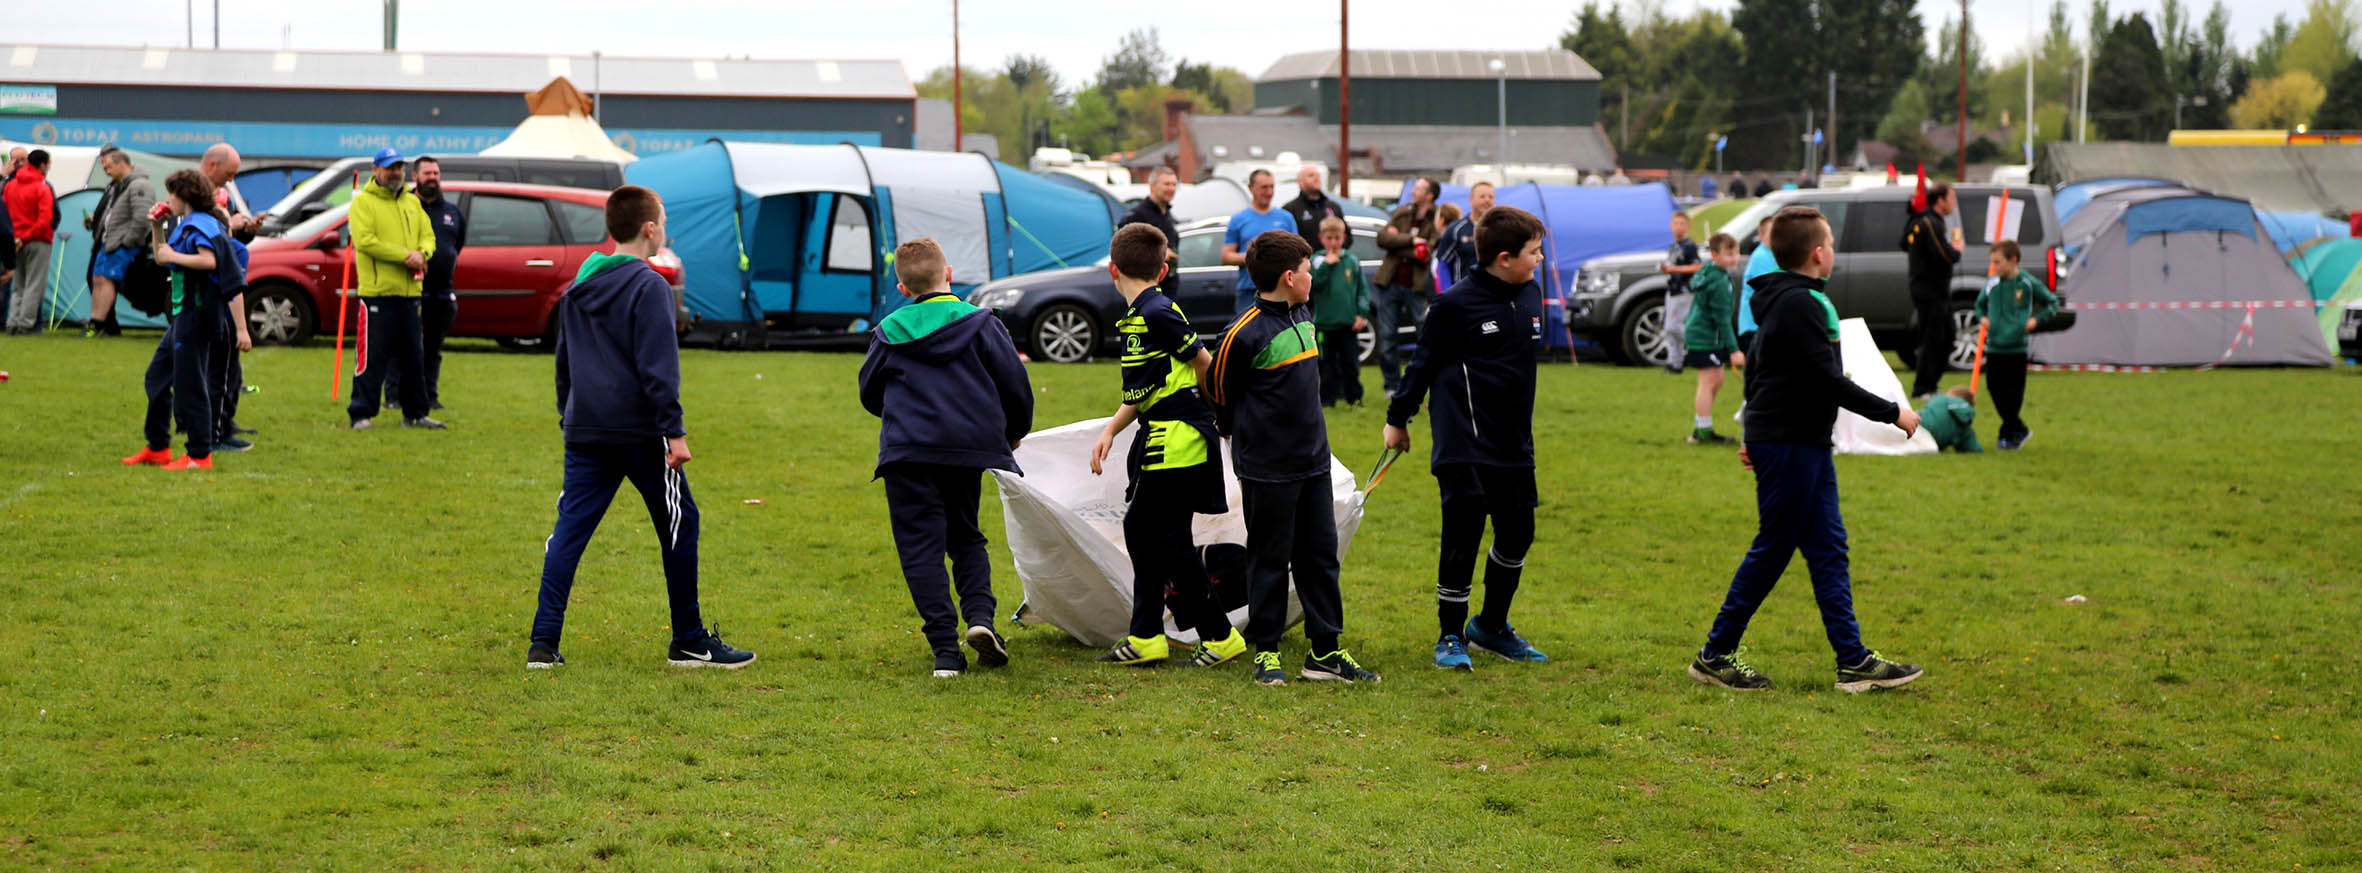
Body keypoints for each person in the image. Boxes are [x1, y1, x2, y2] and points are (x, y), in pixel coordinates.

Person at [1688, 206, 1926, 694]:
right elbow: (1826, 379)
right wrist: (1893, 412)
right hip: (1789, 443)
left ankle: (1853, 661)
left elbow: (1759, 368)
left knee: (1828, 548)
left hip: (1801, 441)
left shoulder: (1791, 299)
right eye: (1831, 243)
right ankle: (1715, 654)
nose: (1833, 250)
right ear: (1818, 253)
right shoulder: (1801, 304)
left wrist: (1752, 432)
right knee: (1775, 547)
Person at [528, 185, 752, 671]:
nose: (665, 230)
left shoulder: (578, 287)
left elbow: (563, 362)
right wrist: (675, 433)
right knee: (680, 522)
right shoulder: (649, 286)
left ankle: (542, 645)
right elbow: (659, 368)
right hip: (640, 431)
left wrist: (569, 415)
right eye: (664, 223)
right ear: (650, 229)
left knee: (569, 533)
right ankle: (689, 640)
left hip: (586, 429)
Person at [1207, 230, 1378, 686]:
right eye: (1306, 270)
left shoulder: (1304, 313)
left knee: (1319, 556)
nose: (1311, 276)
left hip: (1314, 464)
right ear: (1288, 277)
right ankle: (1266, 651)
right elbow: (1218, 391)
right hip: (1267, 470)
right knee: (1268, 558)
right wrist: (1241, 432)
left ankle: (1325, 651)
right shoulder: (1243, 333)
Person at [860, 237, 1035, 678]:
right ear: (950, 274)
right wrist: (1013, 433)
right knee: (966, 537)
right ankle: (980, 618)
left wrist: (901, 415)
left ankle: (944, 650)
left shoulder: (889, 331)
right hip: (965, 451)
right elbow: (1015, 385)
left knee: (920, 549)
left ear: (902, 288)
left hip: (907, 453)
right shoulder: (982, 323)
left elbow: (869, 392)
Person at [1384, 206, 1551, 671]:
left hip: (1514, 442)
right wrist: (1398, 419)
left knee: (1518, 533)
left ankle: (1491, 627)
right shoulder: (1454, 305)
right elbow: (1421, 365)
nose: (1540, 259)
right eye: (1534, 252)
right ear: (1504, 258)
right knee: (1464, 533)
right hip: (1463, 440)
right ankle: (1451, 635)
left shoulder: (1531, 292)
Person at [1084, 224, 1245, 669]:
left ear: (1112, 269)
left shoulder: (1157, 311)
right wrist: (1110, 430)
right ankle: (1148, 635)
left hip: (1179, 442)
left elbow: (1205, 363)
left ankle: (1217, 636)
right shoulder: (1141, 314)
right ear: (1163, 269)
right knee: (1145, 532)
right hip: (1163, 437)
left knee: (1163, 538)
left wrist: (1218, 416)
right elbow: (1150, 388)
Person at [120, 170, 242, 471]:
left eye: (171, 193)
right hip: (182, 317)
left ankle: (199, 455)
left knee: (191, 386)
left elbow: (209, 260)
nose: (167, 199)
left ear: (185, 195)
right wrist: (156, 227)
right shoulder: (187, 223)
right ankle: (158, 447)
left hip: (196, 316)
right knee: (156, 378)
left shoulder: (200, 224)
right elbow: (162, 256)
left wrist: (175, 257)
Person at [345, 147, 444, 430]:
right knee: (372, 358)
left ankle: (415, 414)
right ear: (376, 170)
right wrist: (405, 256)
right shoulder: (363, 203)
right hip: (377, 295)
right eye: (390, 167)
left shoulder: (412, 202)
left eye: (399, 167)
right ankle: (361, 413)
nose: (395, 172)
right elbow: (365, 241)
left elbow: (428, 236)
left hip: (410, 294)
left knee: (414, 357)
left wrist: (423, 253)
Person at [383, 156, 465, 411]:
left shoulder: (452, 213)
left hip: (440, 294)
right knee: (401, 347)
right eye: (427, 173)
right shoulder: (403, 206)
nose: (433, 178)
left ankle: (430, 396)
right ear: (415, 176)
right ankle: (394, 397)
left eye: (436, 173)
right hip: (408, 290)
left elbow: (456, 246)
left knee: (432, 349)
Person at [198, 144, 256, 449]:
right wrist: (242, 328)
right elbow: (232, 287)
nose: (231, 180)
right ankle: (213, 433)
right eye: (229, 173)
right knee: (219, 375)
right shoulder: (229, 249)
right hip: (212, 310)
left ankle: (216, 427)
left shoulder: (230, 245)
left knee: (221, 374)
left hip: (208, 308)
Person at [1974, 239, 2057, 450]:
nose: (1994, 266)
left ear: (2013, 260)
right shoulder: (1992, 283)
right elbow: (1979, 306)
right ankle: (2018, 429)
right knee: (1994, 388)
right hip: (1995, 346)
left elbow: (2052, 303)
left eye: (1998, 262)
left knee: (2013, 395)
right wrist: (1983, 318)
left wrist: (2035, 320)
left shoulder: (2027, 283)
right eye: (1992, 262)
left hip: (2017, 347)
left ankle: (2008, 435)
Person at [1373, 177, 1442, 395]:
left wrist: (1397, 242)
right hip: (1390, 283)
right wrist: (1412, 241)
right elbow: (1382, 238)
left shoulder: (1437, 218)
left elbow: (1425, 253)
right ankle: (1392, 386)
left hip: (1417, 287)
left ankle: (1425, 384)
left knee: (1426, 336)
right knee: (1387, 337)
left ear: (1430, 195)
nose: (1414, 191)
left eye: (1419, 188)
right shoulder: (1402, 212)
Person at [85, 148, 154, 338]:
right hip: (108, 243)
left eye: (109, 167)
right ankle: (95, 324)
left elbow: (142, 218)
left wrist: (126, 243)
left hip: (120, 245)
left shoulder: (140, 185)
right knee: (98, 279)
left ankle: (100, 325)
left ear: (122, 164)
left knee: (107, 280)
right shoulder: (119, 185)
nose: (107, 171)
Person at [1903, 182, 1962, 401]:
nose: (1954, 203)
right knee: (1932, 338)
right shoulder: (1929, 222)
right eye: (1952, 198)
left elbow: (1904, 243)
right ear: (1940, 200)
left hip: (1938, 290)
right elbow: (1946, 255)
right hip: (1929, 290)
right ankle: (1922, 388)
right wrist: (1957, 250)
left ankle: (1932, 384)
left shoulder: (1927, 221)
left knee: (1947, 335)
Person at [1684, 233, 1744, 444]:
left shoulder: (1713, 271)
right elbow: (1722, 319)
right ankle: (1703, 433)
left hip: (1709, 336)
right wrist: (1734, 350)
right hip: (1704, 336)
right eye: (1729, 253)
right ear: (1714, 255)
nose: (1734, 258)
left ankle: (1700, 428)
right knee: (1708, 382)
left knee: (1717, 380)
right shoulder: (1718, 281)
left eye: (1736, 252)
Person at [1308, 216, 1370, 407]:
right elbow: (1314, 285)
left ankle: (1354, 398)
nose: (1333, 242)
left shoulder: (1351, 260)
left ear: (1344, 238)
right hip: (1324, 324)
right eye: (1329, 238)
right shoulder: (1316, 260)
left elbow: (1362, 290)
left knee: (1350, 363)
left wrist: (1361, 314)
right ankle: (1327, 400)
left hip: (1348, 323)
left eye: (1337, 238)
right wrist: (1327, 265)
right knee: (1326, 364)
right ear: (1321, 238)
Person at [1221, 169, 1295, 314]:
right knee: (1247, 329)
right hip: (1249, 291)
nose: (1269, 192)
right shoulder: (1239, 219)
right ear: (1251, 188)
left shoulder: (1286, 218)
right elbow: (1226, 256)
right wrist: (1255, 256)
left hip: (1281, 290)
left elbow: (1297, 255)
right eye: (1264, 187)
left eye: (1272, 187)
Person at [4, 148, 55, 335]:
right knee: (34, 284)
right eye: (48, 164)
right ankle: (25, 324)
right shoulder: (42, 187)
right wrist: (27, 237)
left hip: (15, 241)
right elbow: (45, 220)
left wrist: (16, 239)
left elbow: (4, 214)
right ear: (42, 165)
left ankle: (12, 322)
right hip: (37, 240)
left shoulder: (10, 185)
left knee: (18, 285)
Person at [1117, 166, 1183, 296]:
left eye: (1174, 184)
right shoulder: (1137, 215)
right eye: (1166, 184)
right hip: (1145, 289)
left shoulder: (1168, 215)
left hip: (1169, 287)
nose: (1171, 189)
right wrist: (1158, 252)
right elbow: (1123, 250)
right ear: (1152, 186)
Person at [1659, 211, 1703, 372]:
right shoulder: (1673, 246)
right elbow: (1671, 264)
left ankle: (1700, 345)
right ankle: (1674, 363)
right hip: (1673, 289)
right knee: (1668, 329)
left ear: (1688, 227)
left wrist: (1675, 269)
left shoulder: (1689, 246)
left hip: (1684, 291)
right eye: (1676, 223)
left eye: (1682, 224)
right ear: (1671, 226)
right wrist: (1666, 268)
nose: (1679, 227)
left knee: (1673, 326)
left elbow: (1697, 266)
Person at [1437, 181, 1494, 288]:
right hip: (1463, 293)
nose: (1487, 200)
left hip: (1490, 294)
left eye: (1491, 197)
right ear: (1471, 200)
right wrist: (1447, 293)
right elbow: (1443, 264)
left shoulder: (1499, 229)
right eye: (1482, 196)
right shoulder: (1456, 229)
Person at [1737, 215, 1778, 354]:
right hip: (1753, 325)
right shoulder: (1760, 256)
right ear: (1761, 236)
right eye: (1772, 233)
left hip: (1761, 324)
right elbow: (1771, 287)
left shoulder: (1772, 254)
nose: (1776, 237)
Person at [1278, 164, 1344, 246]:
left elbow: (1346, 236)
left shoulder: (1334, 207)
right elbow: (1285, 240)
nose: (1316, 178)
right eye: (1311, 175)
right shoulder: (1290, 209)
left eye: (1318, 175)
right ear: (1300, 182)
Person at [1919, 386, 1982, 453]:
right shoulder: (1963, 427)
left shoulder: (1939, 399)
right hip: (1932, 438)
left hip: (1917, 424)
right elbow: (1972, 447)